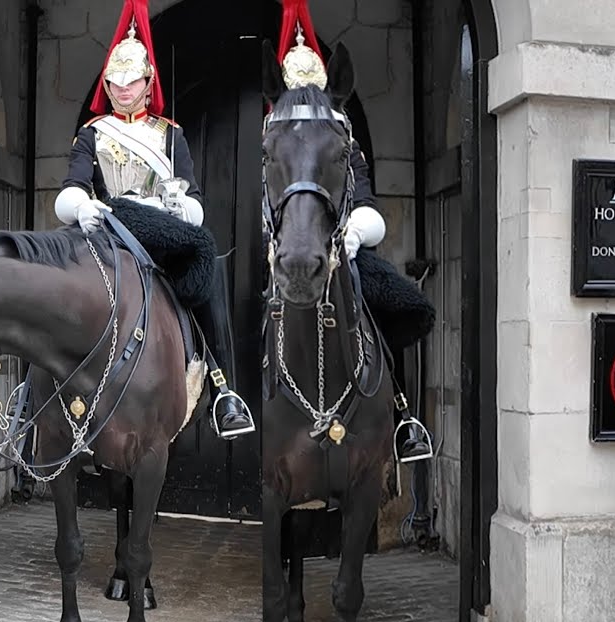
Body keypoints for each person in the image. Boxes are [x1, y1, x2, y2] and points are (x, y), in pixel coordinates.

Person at [54, 0, 253, 439]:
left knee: (207, 258)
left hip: (160, 230)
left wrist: (183, 208)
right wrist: (81, 204)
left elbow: (193, 193)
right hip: (106, 226)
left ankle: (223, 388)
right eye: (115, 82)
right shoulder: (92, 133)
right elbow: (72, 184)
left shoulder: (170, 134)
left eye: (132, 82)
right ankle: (36, 400)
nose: (123, 89)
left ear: (148, 84)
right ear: (106, 85)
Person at [271, 0, 432, 463]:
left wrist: (354, 233)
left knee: (393, 308)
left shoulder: (343, 140)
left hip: (340, 249)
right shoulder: (275, 138)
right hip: (279, 248)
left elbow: (367, 204)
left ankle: (402, 414)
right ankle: (227, 394)